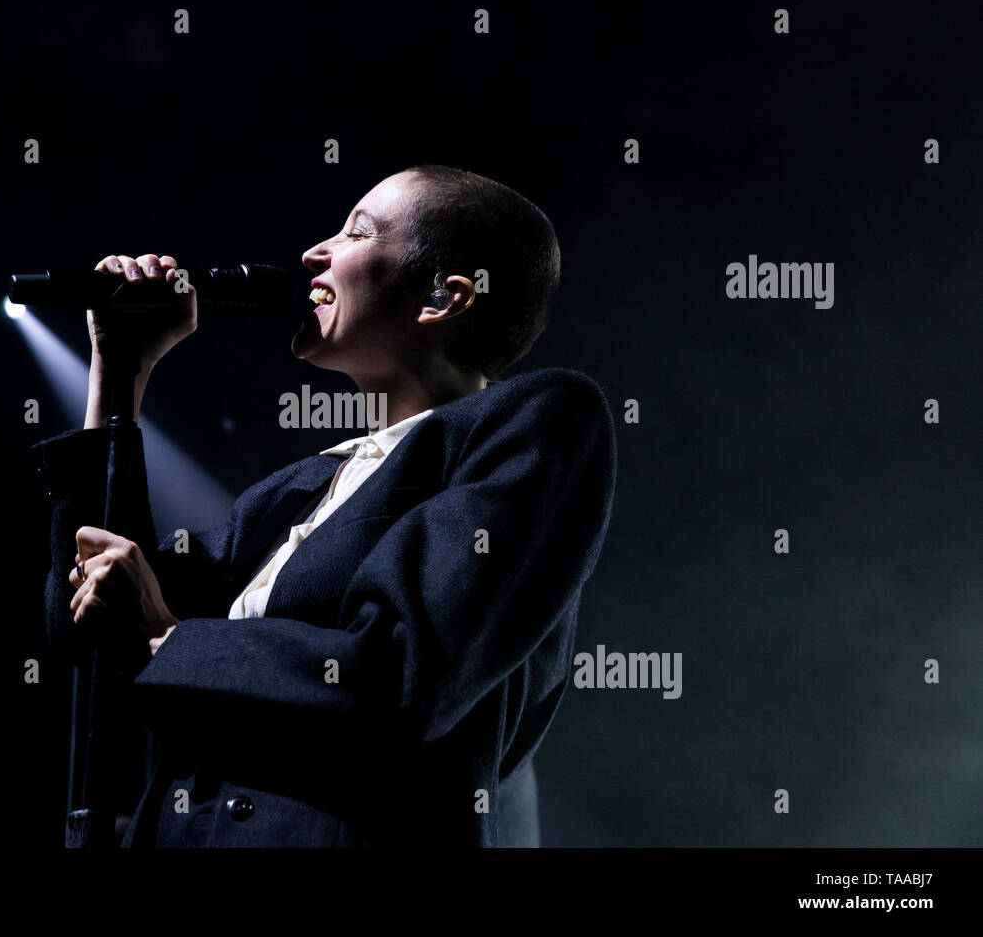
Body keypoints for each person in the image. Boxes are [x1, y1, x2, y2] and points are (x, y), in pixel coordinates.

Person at [31, 164, 617, 846]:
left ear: (443, 298)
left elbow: (399, 675)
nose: (314, 251)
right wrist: (119, 375)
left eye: (357, 232)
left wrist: (164, 635)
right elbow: (87, 618)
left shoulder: (537, 420)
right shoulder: (290, 494)